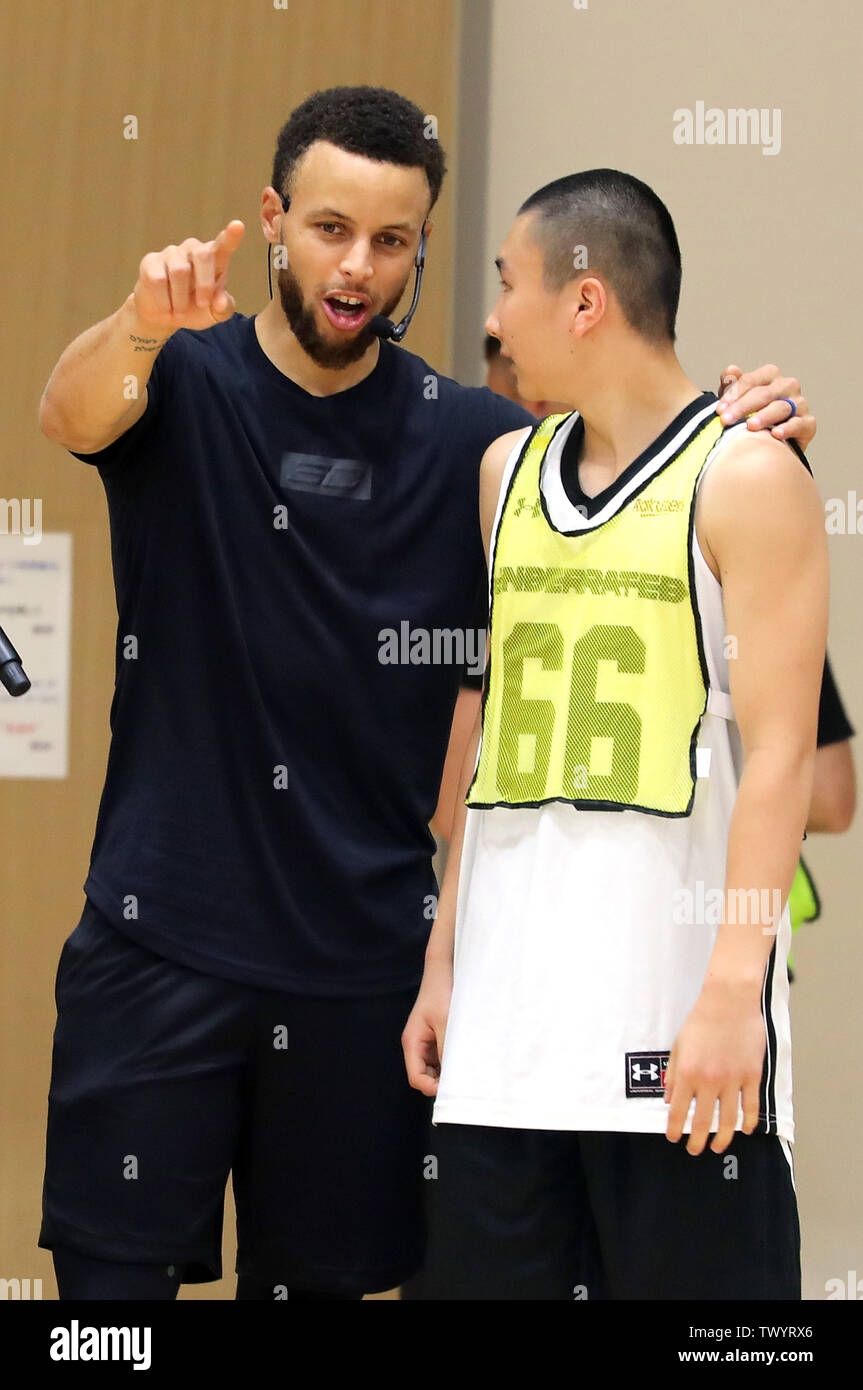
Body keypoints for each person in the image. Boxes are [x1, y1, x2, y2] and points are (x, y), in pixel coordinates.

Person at [37, 84, 815, 1301]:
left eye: (393, 241)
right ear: (274, 220)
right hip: (158, 947)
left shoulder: (479, 448)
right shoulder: (179, 378)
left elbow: (639, 454)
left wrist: (747, 425)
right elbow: (67, 410)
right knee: (104, 1318)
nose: (358, 265)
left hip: (363, 976)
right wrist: (138, 322)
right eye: (332, 227)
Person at [403, 168, 829, 1300]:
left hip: (675, 1044)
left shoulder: (746, 476)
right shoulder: (502, 475)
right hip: (503, 1053)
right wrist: (444, 956)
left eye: (508, 284)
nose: (493, 318)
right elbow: (494, 744)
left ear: (583, 301)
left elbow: (785, 755)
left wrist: (733, 988)